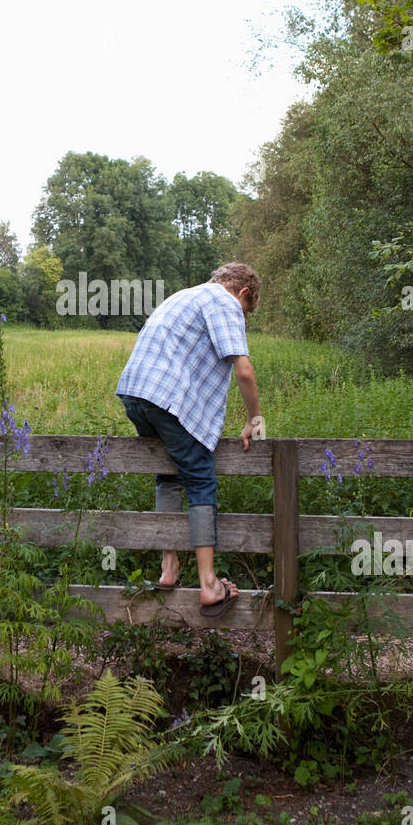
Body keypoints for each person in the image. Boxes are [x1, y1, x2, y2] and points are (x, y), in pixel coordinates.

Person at [115, 262, 264, 615]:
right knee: (199, 478)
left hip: (135, 393)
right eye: (246, 310)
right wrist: (254, 418)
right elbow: (243, 369)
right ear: (243, 293)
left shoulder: (182, 296)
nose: (241, 315)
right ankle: (210, 585)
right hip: (166, 398)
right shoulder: (224, 302)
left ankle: (169, 569)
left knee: (168, 474)